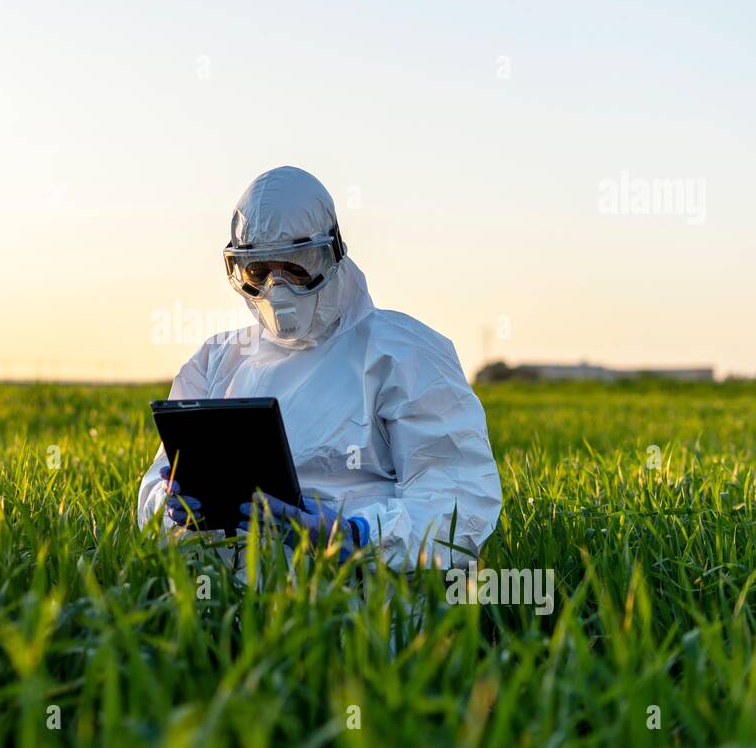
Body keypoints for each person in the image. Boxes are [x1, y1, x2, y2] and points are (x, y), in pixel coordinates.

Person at [137, 166, 501, 571]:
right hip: (228, 606)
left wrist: (359, 535)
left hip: (365, 603)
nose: (277, 289)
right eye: (258, 271)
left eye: (295, 267)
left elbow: (459, 498)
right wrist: (168, 507)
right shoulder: (216, 360)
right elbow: (158, 480)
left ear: (333, 254)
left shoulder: (405, 354)